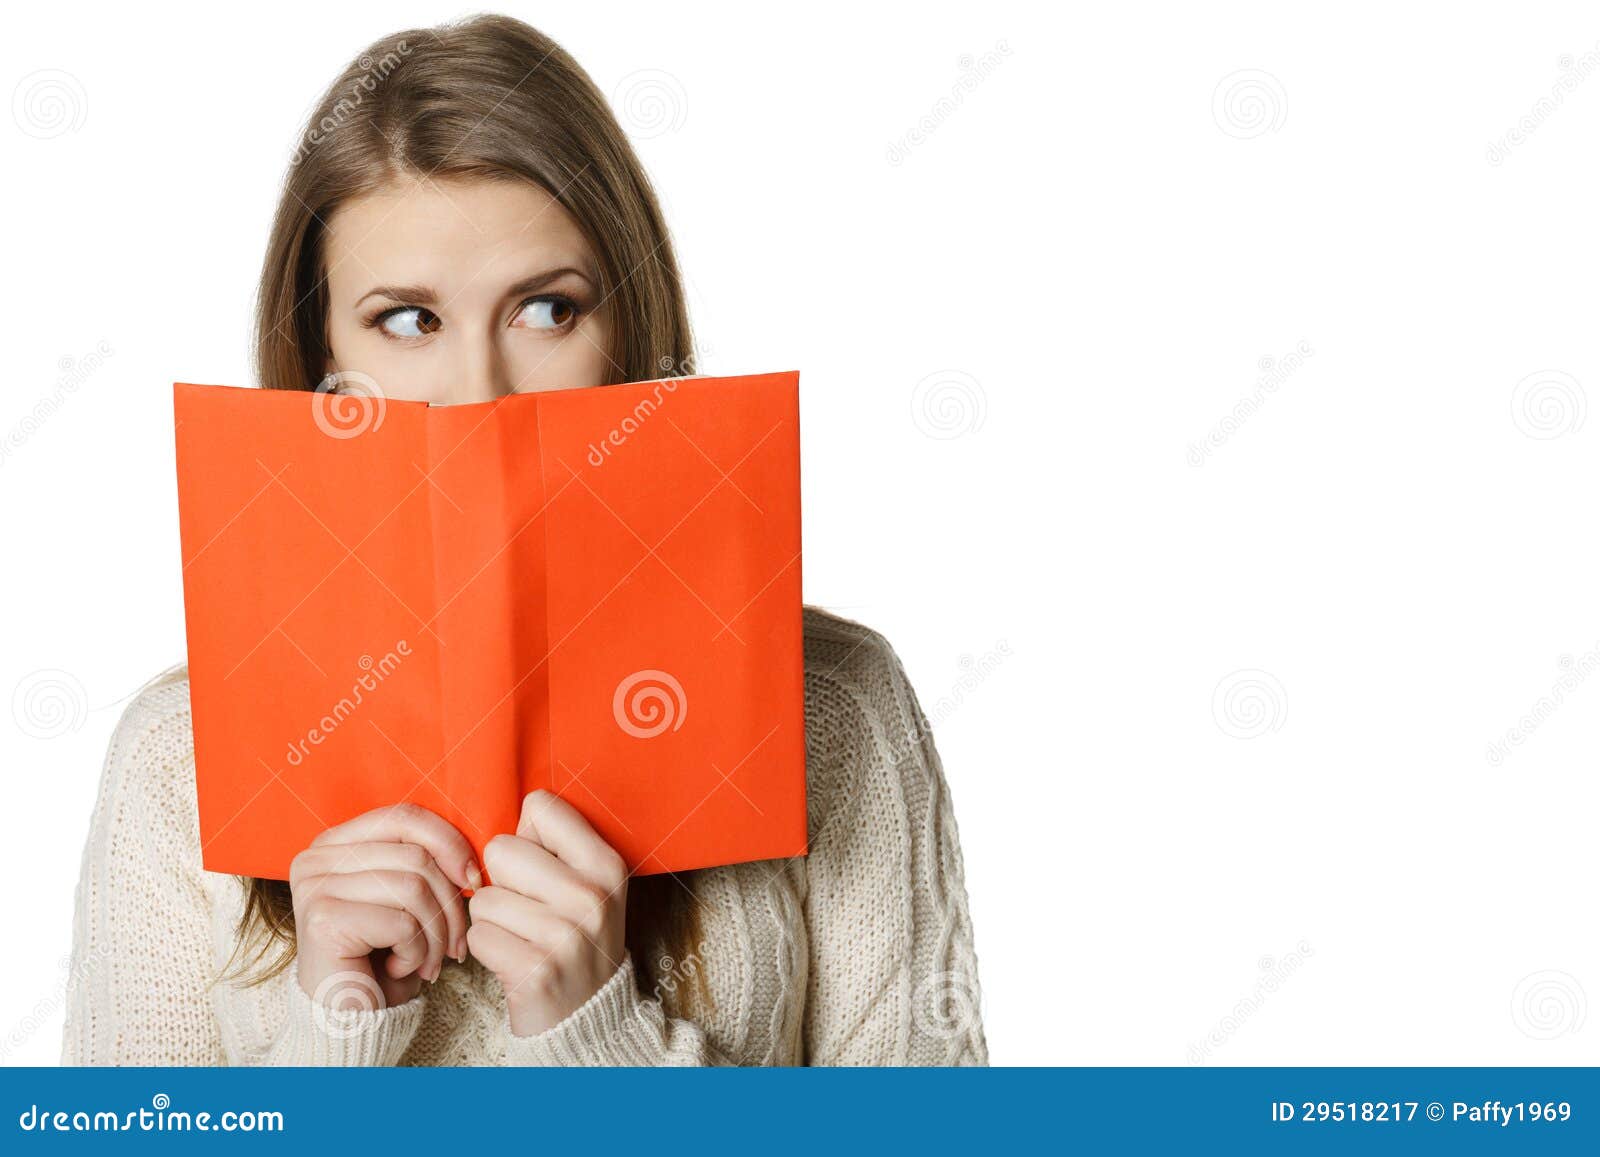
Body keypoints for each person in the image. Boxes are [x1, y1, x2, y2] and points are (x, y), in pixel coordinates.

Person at [61, 13, 986, 1066]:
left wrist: (602, 1039)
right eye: (407, 320)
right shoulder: (174, 760)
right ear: (320, 357)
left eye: (545, 308)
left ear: (630, 334)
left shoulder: (836, 708)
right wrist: (330, 1041)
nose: (478, 397)